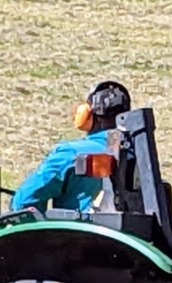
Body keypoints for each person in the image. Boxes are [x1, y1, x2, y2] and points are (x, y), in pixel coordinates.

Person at [9, 81, 133, 214]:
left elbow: (25, 202)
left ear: (88, 113)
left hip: (77, 232)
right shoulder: (135, 151)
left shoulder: (70, 153)